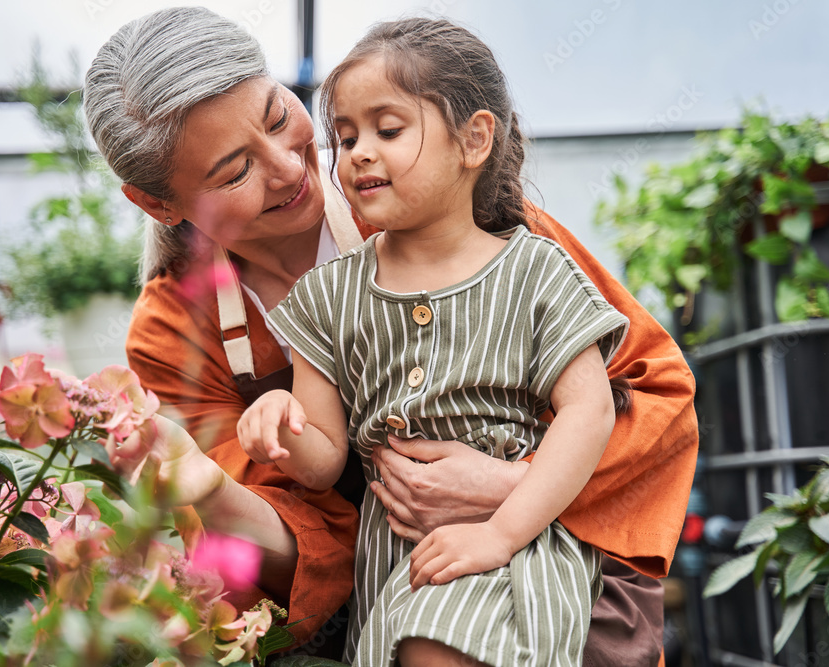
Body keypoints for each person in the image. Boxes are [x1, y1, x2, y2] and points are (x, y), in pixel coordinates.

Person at [82, 6, 698, 665]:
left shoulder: (435, 207)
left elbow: (656, 396)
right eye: (235, 171)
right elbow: (304, 537)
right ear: (157, 203)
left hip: (553, 557)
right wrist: (204, 485)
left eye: (275, 116)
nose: (290, 168)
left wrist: (513, 485)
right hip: (380, 597)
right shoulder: (176, 329)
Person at [236, 18, 633, 666]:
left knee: (436, 641)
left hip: (516, 545)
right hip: (396, 558)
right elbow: (324, 460)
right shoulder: (327, 297)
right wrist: (279, 425)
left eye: (387, 130)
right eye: (345, 137)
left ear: (473, 140)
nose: (359, 151)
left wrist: (501, 534)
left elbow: (589, 413)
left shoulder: (535, 268)